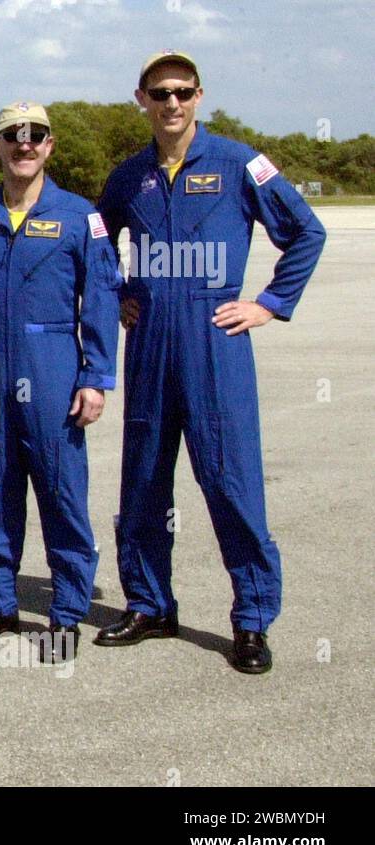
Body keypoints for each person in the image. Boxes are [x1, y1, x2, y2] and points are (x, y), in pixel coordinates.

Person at [95, 52, 325, 673]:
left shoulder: (238, 162)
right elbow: (94, 243)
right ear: (140, 98)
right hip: (148, 349)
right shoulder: (128, 176)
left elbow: (306, 231)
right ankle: (149, 604)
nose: (172, 103)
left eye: (183, 92)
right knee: (142, 480)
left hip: (215, 343)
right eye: (160, 92)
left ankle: (251, 619)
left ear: (200, 96)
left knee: (231, 481)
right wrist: (118, 294)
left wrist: (270, 304)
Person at [0, 101, 121, 665]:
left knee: (62, 493)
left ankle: (66, 613)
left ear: (50, 145)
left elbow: (101, 296)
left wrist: (95, 376)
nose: (24, 145)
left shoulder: (78, 216)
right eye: (11, 136)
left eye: (35, 136)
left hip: (52, 370)